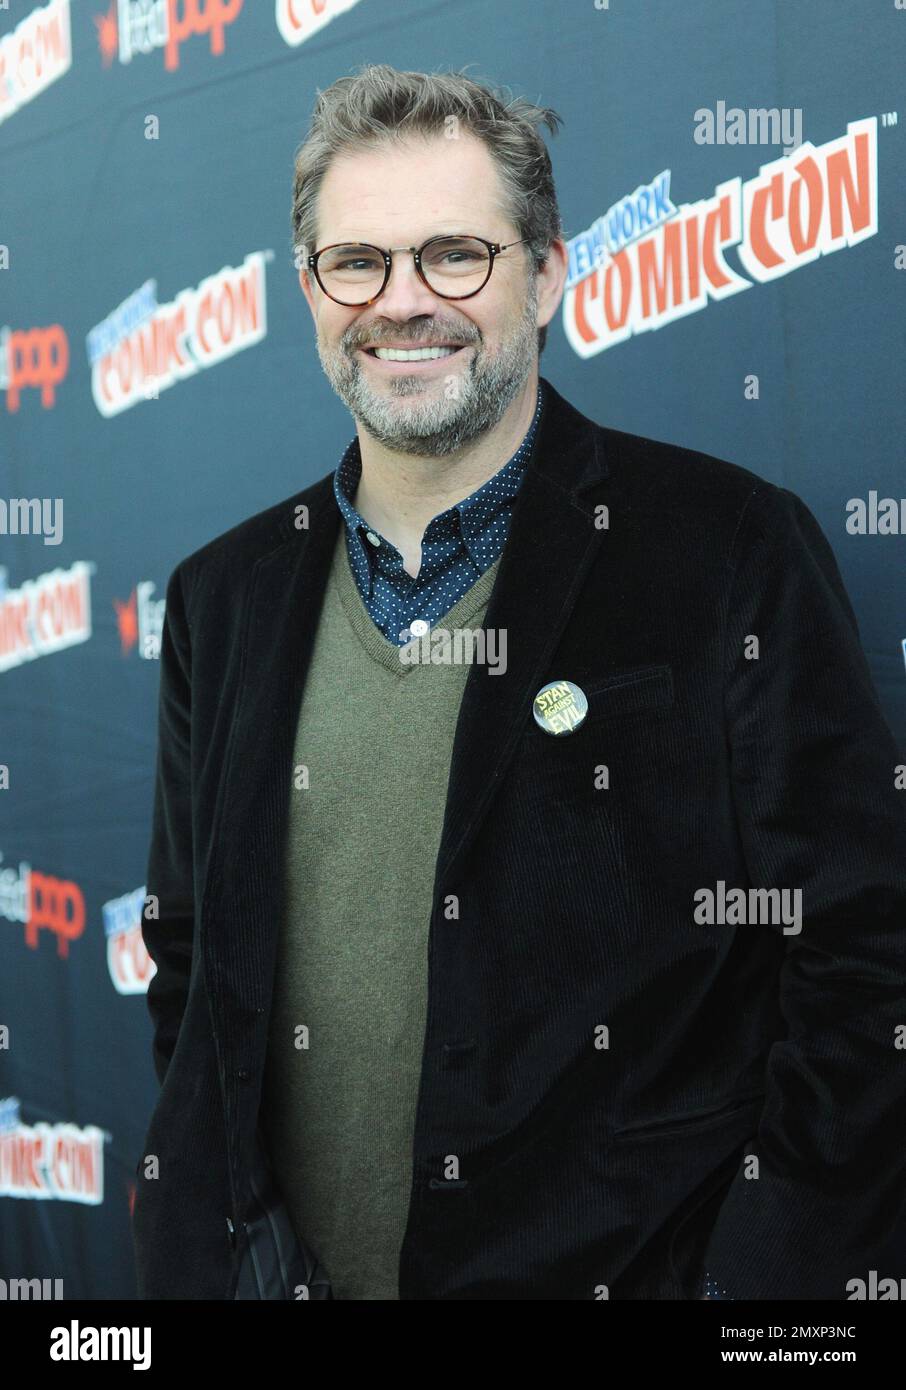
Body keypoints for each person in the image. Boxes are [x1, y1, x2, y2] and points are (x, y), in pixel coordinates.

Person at [133, 64, 906, 1301]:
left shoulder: (724, 551)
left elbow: (867, 964)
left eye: (455, 255)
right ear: (309, 291)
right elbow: (190, 966)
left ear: (547, 271)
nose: (403, 303)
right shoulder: (222, 597)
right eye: (359, 263)